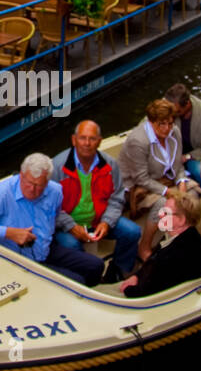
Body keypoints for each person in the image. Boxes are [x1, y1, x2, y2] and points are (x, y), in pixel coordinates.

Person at [0, 152, 103, 286]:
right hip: (19, 259)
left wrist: (70, 226)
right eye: (29, 182)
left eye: (39, 185)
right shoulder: (2, 193)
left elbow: (56, 215)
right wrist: (9, 232)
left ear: (47, 182)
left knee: (96, 266)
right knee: (77, 281)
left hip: (45, 248)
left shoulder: (55, 191)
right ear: (21, 175)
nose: (32, 189)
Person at [50, 120, 141, 284]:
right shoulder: (56, 168)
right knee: (71, 246)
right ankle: (86, 280)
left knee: (132, 232)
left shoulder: (110, 165)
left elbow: (117, 198)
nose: (87, 143)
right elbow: (50, 207)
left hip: (98, 220)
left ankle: (118, 270)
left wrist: (106, 222)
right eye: (82, 138)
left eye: (92, 139)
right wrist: (71, 226)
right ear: (74, 140)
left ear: (99, 141)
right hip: (66, 226)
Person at [118, 98, 183, 262]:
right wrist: (168, 192)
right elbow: (141, 178)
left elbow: (177, 166)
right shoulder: (138, 141)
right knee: (164, 203)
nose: (167, 128)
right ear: (151, 122)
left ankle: (174, 239)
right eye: (162, 124)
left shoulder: (175, 132)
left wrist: (182, 185)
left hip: (161, 179)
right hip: (135, 186)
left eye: (170, 123)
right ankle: (145, 246)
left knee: (191, 194)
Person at [120, 185, 201, 297]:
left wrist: (127, 289)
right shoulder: (178, 237)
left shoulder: (180, 254)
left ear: (181, 220)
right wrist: (136, 276)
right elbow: (151, 265)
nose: (160, 215)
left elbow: (148, 291)